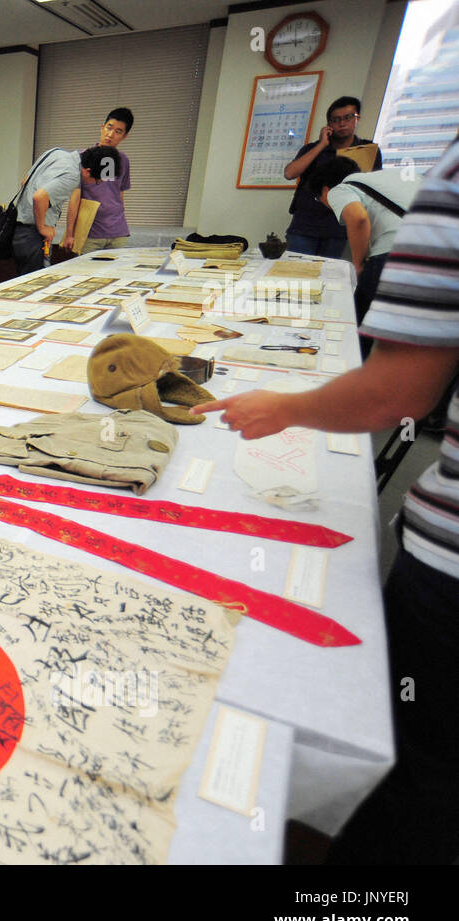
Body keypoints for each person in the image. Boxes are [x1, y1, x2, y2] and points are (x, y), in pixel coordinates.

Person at [193, 135, 459, 864]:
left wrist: (285, 406)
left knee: (422, 777)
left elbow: (400, 389)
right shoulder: (402, 178)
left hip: (450, 571)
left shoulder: (361, 192)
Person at [307, 156, 419, 322]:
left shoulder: (339, 190)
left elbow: (358, 218)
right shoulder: (399, 177)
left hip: (396, 256)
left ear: (325, 190)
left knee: (358, 322)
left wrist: (358, 264)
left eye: (319, 199)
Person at [282, 95, 383, 258]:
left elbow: (374, 187)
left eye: (348, 117)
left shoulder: (368, 151)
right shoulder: (312, 149)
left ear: (357, 119)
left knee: (326, 278)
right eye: (336, 120)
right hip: (305, 225)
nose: (342, 124)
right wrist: (322, 145)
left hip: (339, 228)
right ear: (329, 124)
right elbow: (289, 173)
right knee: (296, 276)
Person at [13, 145, 121, 276]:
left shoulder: (56, 152)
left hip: (20, 229)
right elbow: (39, 197)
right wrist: (42, 228)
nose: (95, 184)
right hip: (33, 234)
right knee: (36, 283)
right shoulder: (72, 176)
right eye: (97, 181)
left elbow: (25, 180)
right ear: (87, 171)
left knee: (26, 280)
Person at [62, 107, 133, 254]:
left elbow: (118, 194)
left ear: (125, 136)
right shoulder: (83, 157)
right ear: (102, 127)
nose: (110, 134)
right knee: (84, 275)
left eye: (118, 132)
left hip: (117, 233)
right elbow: (75, 197)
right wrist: (69, 233)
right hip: (90, 233)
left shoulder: (123, 160)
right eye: (109, 127)